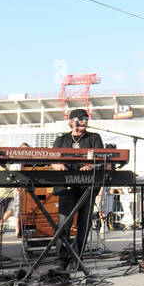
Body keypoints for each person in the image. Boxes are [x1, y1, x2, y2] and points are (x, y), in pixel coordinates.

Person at [50, 108, 104, 272]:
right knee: (63, 224)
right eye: (82, 118)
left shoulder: (94, 138)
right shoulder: (62, 139)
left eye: (87, 118)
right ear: (72, 121)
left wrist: (90, 165)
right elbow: (52, 157)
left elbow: (101, 158)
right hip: (66, 186)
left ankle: (77, 257)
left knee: (84, 224)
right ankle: (61, 259)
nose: (85, 121)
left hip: (87, 186)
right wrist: (56, 164)